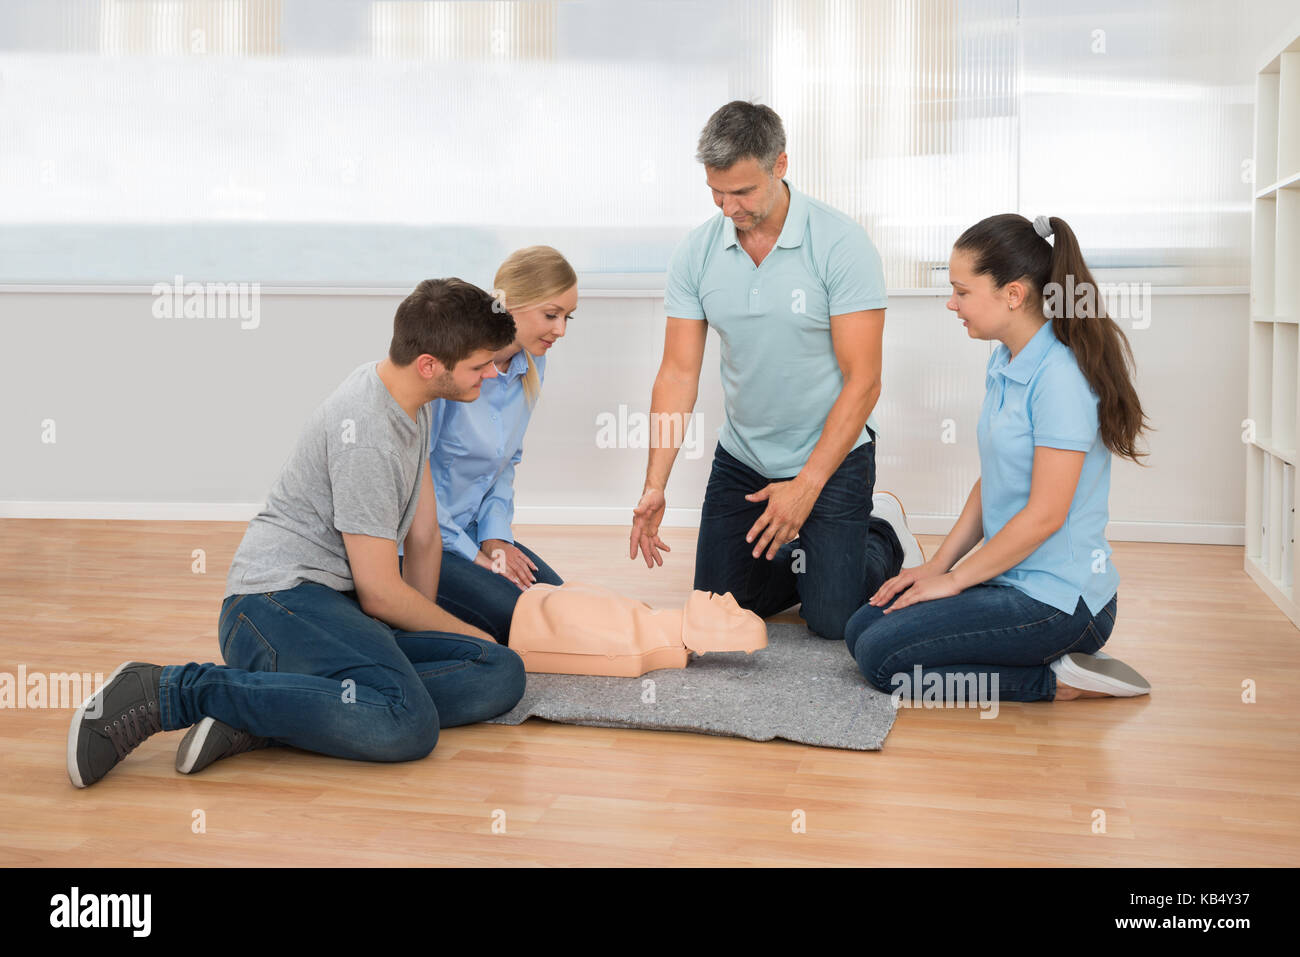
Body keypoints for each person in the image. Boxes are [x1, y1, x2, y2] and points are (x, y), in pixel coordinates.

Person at [67, 279, 527, 787]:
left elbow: (423, 539)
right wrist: (463, 634)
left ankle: (270, 714)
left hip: (334, 606)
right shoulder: (367, 434)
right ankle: (170, 691)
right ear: (429, 364)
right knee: (407, 723)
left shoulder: (412, 401)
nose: (491, 374)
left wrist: (432, 643)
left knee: (499, 671)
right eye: (480, 365)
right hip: (274, 605)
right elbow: (379, 593)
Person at [628, 100, 924, 642]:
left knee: (833, 621)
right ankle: (802, 557)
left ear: (780, 165)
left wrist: (807, 485)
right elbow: (676, 374)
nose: (728, 207)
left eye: (743, 192)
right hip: (745, 457)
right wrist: (654, 485)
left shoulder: (840, 244)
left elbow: (865, 380)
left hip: (831, 457)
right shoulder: (696, 252)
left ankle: (878, 533)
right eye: (717, 192)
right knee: (718, 612)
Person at [844, 213, 1153, 703]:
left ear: (1013, 294)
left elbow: (1045, 515)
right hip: (1008, 577)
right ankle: (1022, 650)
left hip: (1061, 601)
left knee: (883, 662)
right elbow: (993, 482)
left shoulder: (1061, 378)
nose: (952, 303)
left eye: (962, 292)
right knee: (861, 626)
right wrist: (938, 566)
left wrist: (956, 582)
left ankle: (1059, 681)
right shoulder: (1006, 359)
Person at [419, 246, 577, 644]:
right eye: (551, 315)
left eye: (566, 318)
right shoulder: (454, 369)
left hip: (473, 532)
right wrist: (478, 560)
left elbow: (504, 464)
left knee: (560, 608)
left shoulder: (531, 365)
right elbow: (413, 484)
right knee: (529, 623)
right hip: (426, 542)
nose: (560, 330)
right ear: (510, 304)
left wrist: (496, 536)